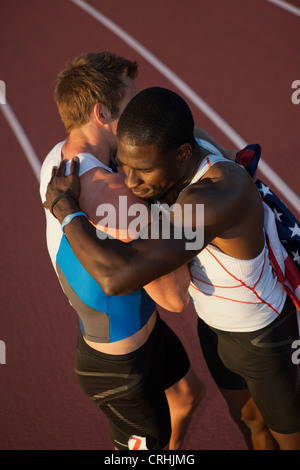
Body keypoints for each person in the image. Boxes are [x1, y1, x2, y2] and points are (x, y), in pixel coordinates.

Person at [43, 86, 300, 450]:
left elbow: (117, 277)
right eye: (124, 165)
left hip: (265, 339)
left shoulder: (214, 197)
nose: (130, 183)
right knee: (250, 424)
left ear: (181, 154)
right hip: (214, 330)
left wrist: (66, 208)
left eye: (142, 171)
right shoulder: (175, 143)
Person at [39, 56, 204, 451]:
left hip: (141, 332)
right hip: (120, 369)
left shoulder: (60, 157)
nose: (140, 115)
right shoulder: (112, 194)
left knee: (186, 395)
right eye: (131, 107)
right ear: (101, 112)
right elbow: (176, 297)